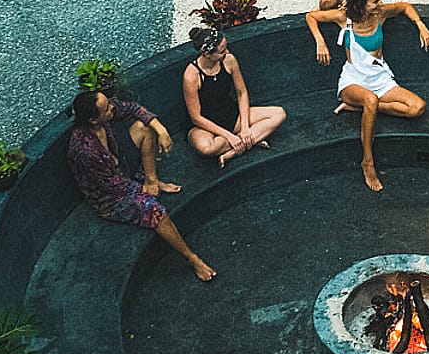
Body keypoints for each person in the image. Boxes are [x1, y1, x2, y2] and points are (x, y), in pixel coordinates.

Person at [67, 91, 217, 281]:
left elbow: (134, 109)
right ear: (93, 120)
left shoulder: (105, 113)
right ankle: (192, 259)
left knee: (145, 129)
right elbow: (111, 186)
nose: (112, 107)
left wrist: (161, 130)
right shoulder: (85, 151)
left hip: (120, 169)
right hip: (110, 198)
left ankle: (152, 179)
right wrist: (143, 189)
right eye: (107, 108)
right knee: (156, 211)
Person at [305, 0, 429, 191]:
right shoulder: (343, 17)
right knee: (370, 99)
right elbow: (311, 16)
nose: (379, 4)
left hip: (379, 77)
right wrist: (320, 41)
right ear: (360, 2)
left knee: (417, 107)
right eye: (374, 1)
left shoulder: (380, 14)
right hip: (353, 80)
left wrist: (421, 25)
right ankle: (368, 161)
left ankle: (362, 109)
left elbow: (404, 7)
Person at [183, 26, 286, 168]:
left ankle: (234, 151)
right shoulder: (191, 75)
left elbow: (242, 93)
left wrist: (244, 127)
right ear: (207, 54)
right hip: (205, 125)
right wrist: (229, 136)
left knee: (279, 113)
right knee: (206, 148)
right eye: (221, 51)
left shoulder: (229, 60)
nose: (226, 52)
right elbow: (196, 117)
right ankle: (250, 141)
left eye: (225, 47)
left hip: (230, 115)